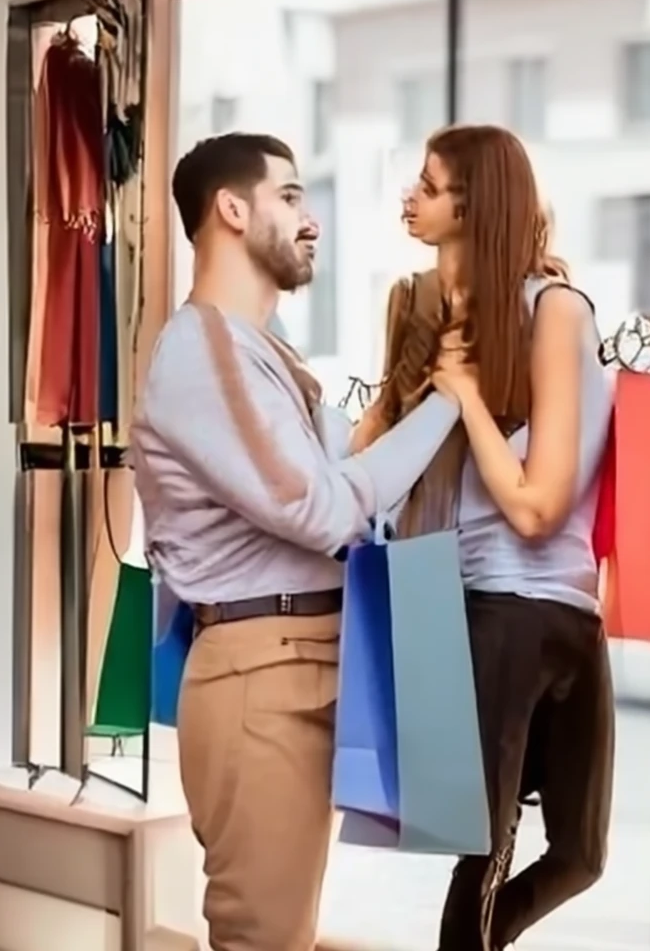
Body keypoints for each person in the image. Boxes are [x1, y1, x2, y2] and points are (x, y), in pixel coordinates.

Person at [131, 132, 461, 951]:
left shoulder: (261, 352)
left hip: (298, 658)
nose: (310, 221)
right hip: (261, 673)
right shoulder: (206, 352)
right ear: (231, 210)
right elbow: (322, 511)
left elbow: (347, 483)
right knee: (262, 940)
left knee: (286, 933)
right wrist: (452, 404)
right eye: (291, 197)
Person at [362, 125, 615, 950]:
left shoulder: (555, 309)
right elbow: (370, 471)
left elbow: (540, 508)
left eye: (428, 186)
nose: (410, 197)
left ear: (475, 208)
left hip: (565, 609)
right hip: (482, 606)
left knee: (580, 854)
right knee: (482, 848)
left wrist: (465, 397)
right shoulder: (430, 313)